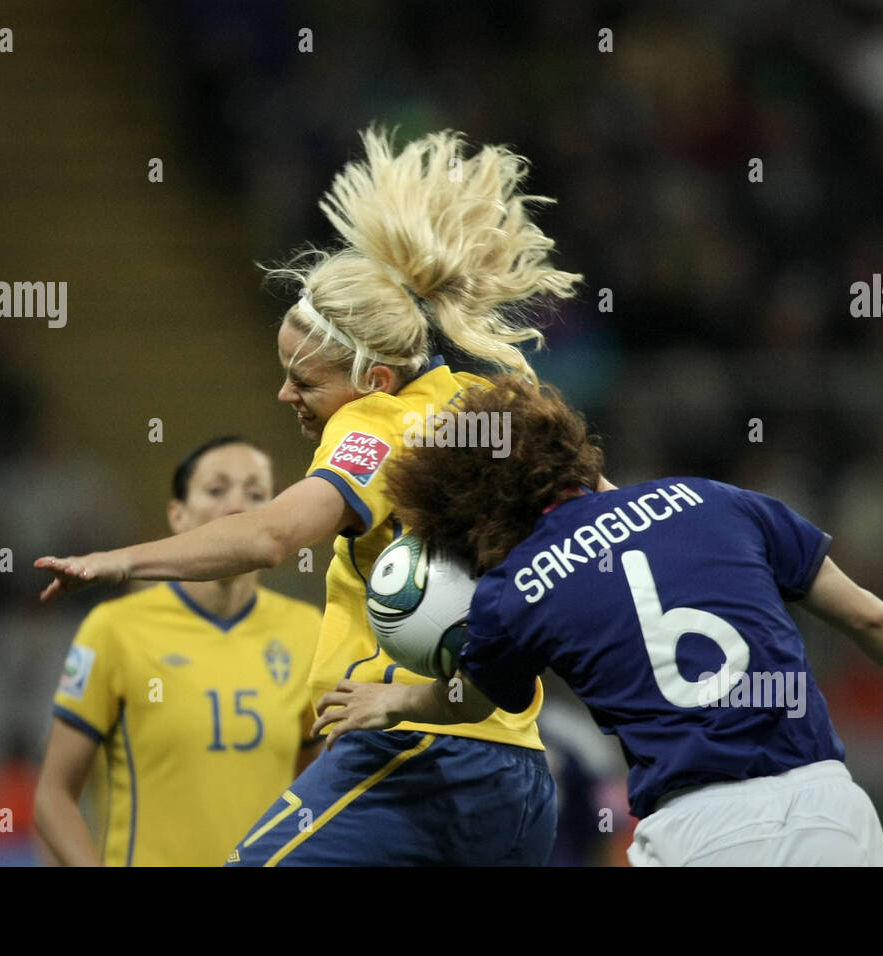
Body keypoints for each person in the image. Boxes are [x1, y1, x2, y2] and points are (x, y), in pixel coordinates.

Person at [36, 127, 598, 865]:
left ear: (374, 377)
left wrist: (122, 561)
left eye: (304, 381)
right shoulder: (485, 404)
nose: (285, 394)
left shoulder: (377, 420)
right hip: (520, 774)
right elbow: (598, 512)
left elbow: (274, 535)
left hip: (417, 757)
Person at [311, 377, 883, 866]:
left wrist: (395, 698)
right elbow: (867, 615)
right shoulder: (716, 500)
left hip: (702, 829)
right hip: (831, 806)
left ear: (465, 513)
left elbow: (468, 698)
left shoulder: (513, 594)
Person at [32, 436, 323, 866]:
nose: (237, 505)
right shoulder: (115, 630)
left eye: (257, 494)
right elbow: (52, 797)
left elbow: (312, 789)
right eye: (216, 490)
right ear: (177, 515)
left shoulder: (308, 630)